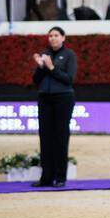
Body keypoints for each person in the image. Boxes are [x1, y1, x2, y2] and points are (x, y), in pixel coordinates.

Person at [32, 26, 77, 187]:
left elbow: (68, 79)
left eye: (56, 35)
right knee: (45, 138)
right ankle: (46, 177)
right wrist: (40, 67)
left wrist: (51, 67)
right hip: (45, 98)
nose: (53, 38)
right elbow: (36, 80)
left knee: (60, 138)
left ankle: (60, 177)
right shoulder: (45, 54)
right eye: (50, 36)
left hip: (63, 99)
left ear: (63, 37)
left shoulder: (69, 55)